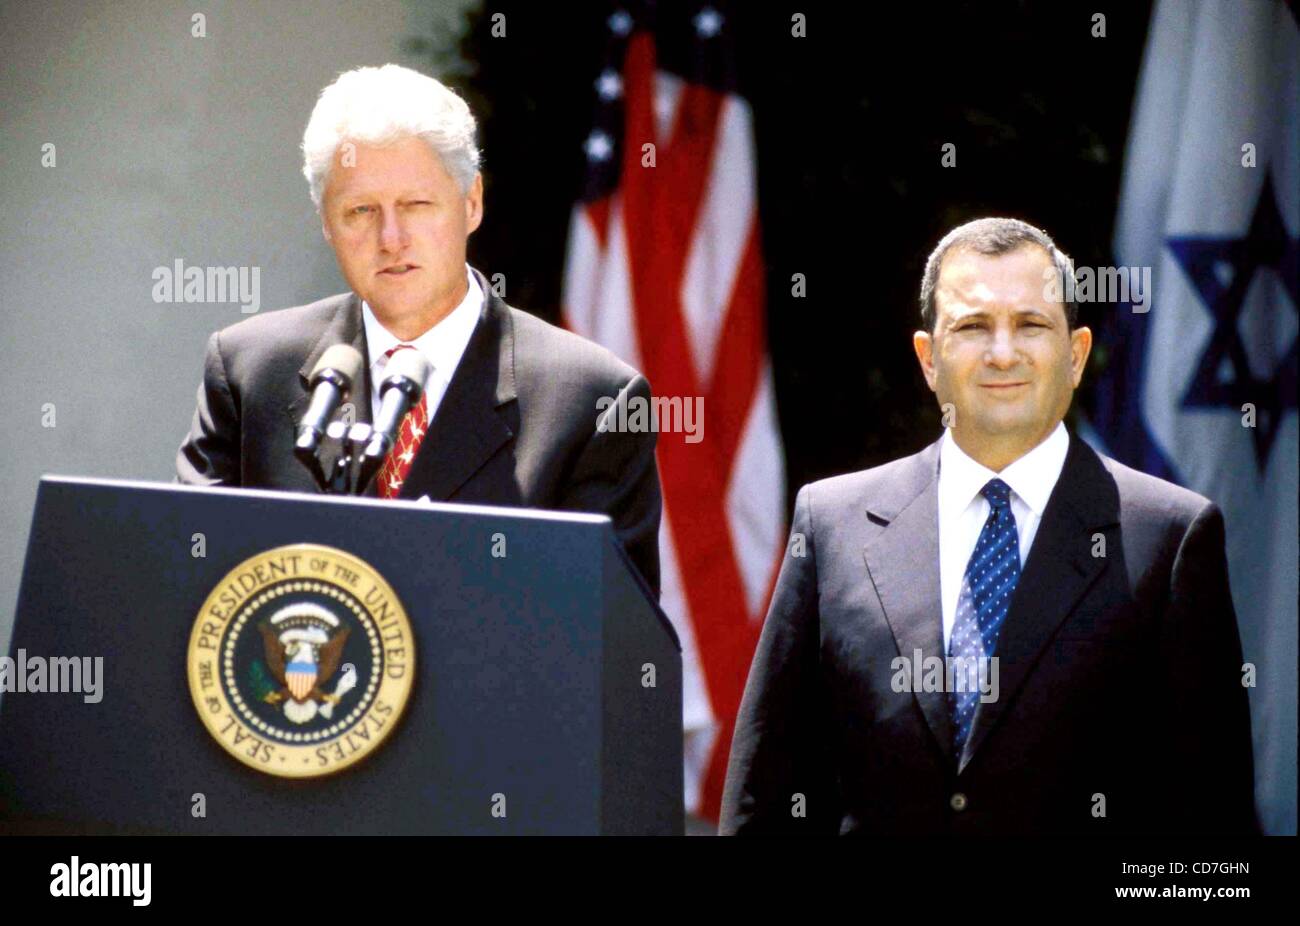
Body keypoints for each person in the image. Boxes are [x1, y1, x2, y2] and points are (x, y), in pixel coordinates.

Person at [719, 217, 1256, 835]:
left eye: (1031, 324)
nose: (1003, 353)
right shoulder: (832, 524)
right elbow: (765, 799)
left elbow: (1210, 840)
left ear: (1076, 354)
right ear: (928, 358)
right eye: (973, 326)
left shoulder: (1169, 537)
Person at [175, 64, 661, 595]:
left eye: (416, 205)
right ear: (325, 223)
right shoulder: (249, 372)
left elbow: (609, 637)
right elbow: (193, 584)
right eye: (360, 210)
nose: (391, 238)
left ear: (471, 203)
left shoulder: (592, 400)